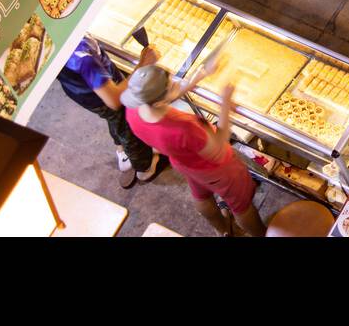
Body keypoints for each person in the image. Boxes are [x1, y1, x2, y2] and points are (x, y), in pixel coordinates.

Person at [122, 63, 268, 237]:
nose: (176, 84)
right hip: (217, 170)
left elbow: (166, 97)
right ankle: (262, 234)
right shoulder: (185, 129)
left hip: (185, 163)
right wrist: (226, 104)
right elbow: (219, 144)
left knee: (202, 196)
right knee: (241, 206)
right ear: (160, 100)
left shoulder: (134, 110)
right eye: (172, 84)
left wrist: (200, 76)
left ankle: (222, 230)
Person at [56, 36, 163, 189]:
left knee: (114, 119)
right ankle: (144, 167)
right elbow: (114, 100)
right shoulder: (83, 58)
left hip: (83, 92)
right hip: (101, 97)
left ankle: (123, 154)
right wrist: (144, 64)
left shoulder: (56, 44)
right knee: (126, 126)